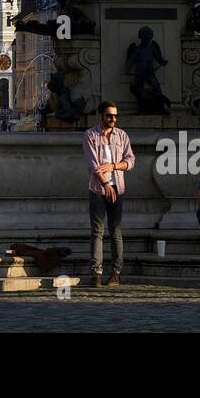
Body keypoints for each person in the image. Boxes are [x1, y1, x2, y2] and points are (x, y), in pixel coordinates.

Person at [83, 101, 135, 287]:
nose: (113, 119)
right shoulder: (90, 135)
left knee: (116, 231)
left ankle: (116, 272)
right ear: (101, 116)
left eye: (115, 116)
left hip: (117, 188)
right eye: (109, 116)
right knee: (97, 231)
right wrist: (106, 184)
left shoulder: (121, 136)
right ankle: (96, 272)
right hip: (98, 189)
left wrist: (114, 166)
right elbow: (93, 164)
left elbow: (130, 160)